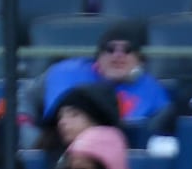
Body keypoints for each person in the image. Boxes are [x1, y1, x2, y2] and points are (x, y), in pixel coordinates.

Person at [40, 23, 173, 137]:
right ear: (98, 57)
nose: (118, 56)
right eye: (110, 49)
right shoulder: (66, 72)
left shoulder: (152, 89)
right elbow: (27, 101)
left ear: (140, 61)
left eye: (127, 50)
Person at [35, 80, 119, 169]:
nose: (62, 122)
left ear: (96, 121)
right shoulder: (54, 155)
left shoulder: (114, 158)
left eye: (74, 115)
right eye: (60, 117)